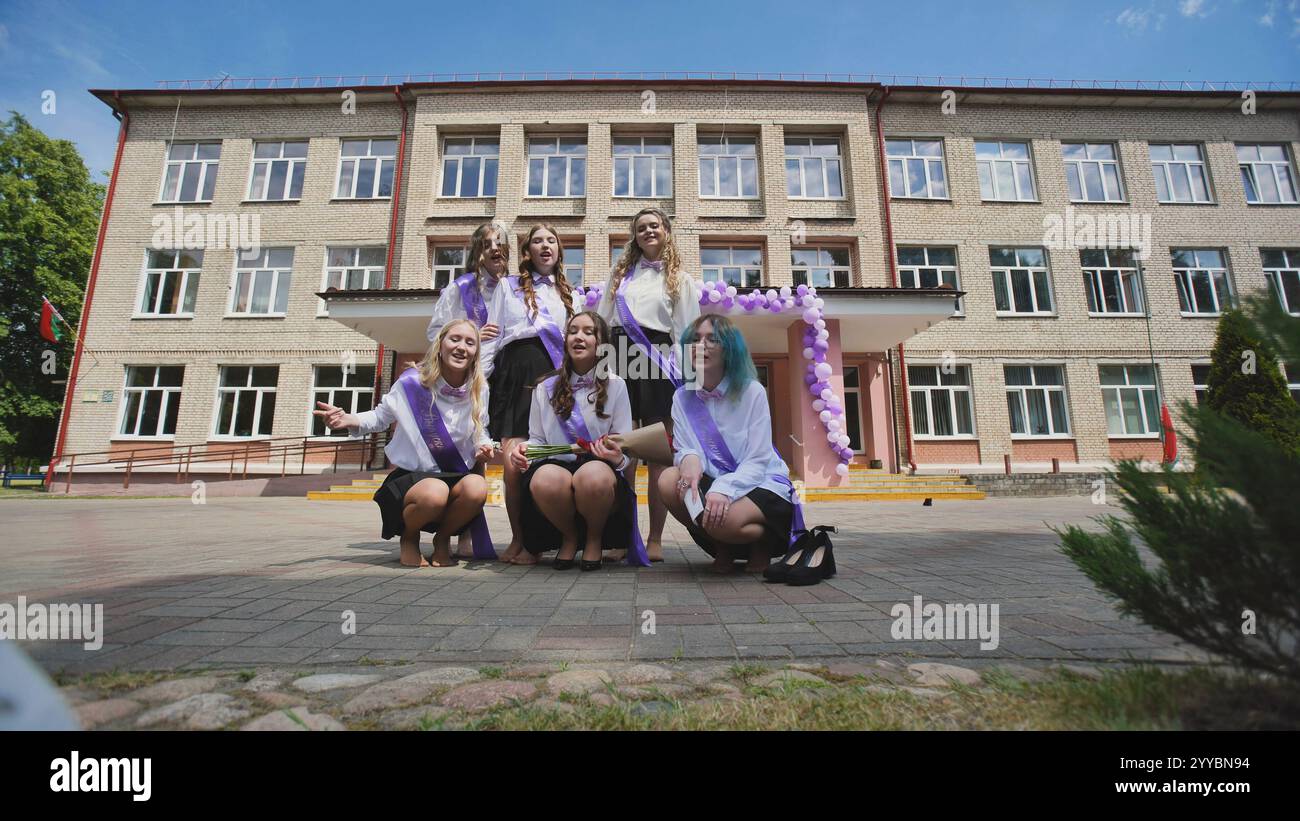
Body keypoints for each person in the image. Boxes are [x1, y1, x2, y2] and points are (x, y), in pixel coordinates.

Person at [314, 319, 497, 568]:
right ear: (440, 345)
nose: (461, 347)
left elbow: (480, 429)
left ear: (476, 352)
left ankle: (442, 540)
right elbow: (380, 417)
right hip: (416, 479)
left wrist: (483, 446)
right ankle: (409, 536)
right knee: (434, 493)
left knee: (477, 487)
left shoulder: (479, 388)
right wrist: (347, 420)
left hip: (456, 475)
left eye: (470, 342)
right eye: (454, 339)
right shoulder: (413, 383)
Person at [658, 314, 805, 574]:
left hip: (760, 482)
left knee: (720, 520)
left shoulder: (752, 392)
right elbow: (685, 447)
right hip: (714, 482)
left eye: (712, 339)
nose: (700, 345)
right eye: (694, 339)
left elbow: (758, 460)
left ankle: (764, 542)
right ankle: (722, 548)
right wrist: (688, 461)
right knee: (669, 482)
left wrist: (724, 488)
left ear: (729, 349)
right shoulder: (682, 397)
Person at [597, 207, 700, 562]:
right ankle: (624, 535)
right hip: (620, 358)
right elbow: (603, 318)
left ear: (666, 231)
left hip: (659, 362)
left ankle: (655, 537)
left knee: (658, 454)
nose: (648, 231)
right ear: (634, 236)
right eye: (641, 228)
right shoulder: (620, 273)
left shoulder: (680, 279)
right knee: (622, 452)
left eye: (654, 226)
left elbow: (689, 332)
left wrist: (690, 382)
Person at [508, 311, 648, 569]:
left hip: (599, 468)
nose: (579, 337)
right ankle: (570, 536)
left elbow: (624, 445)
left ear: (601, 342)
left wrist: (617, 457)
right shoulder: (545, 387)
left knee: (592, 476)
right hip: (556, 465)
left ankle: (594, 539)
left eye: (588, 332)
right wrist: (524, 450)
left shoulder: (616, 385)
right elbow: (538, 438)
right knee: (545, 479)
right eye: (573, 331)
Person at [480, 224, 576, 563]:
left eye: (552, 240)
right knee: (512, 462)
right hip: (516, 372)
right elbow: (492, 336)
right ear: (528, 251)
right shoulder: (506, 287)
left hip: (553, 377)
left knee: (547, 457)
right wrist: (479, 382)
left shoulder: (570, 294)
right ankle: (519, 539)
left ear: (559, 250)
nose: (545, 246)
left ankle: (543, 539)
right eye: (537, 241)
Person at [426, 222, 508, 559]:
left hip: (506, 378)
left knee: (488, 449)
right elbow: (435, 332)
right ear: (478, 251)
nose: (495, 249)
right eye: (487, 244)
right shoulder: (458, 289)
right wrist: (472, 331)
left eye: (501, 243)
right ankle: (463, 532)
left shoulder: (514, 288)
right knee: (471, 452)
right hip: (471, 381)